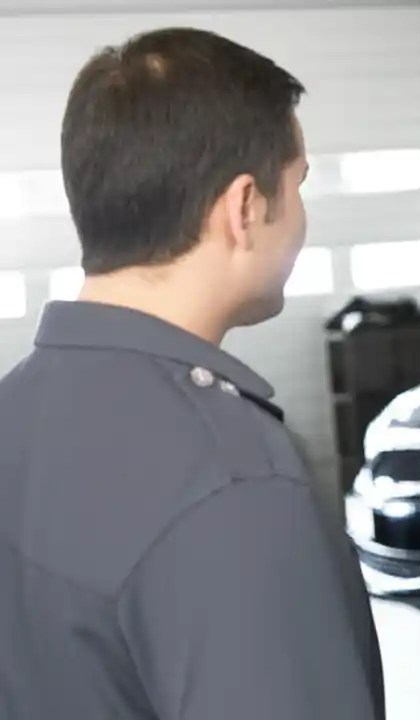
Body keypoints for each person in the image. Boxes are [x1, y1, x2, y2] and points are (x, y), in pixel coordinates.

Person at [0, 28, 384, 719]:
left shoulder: (16, 414)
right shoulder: (230, 477)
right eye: (298, 185)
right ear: (244, 208)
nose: (301, 217)